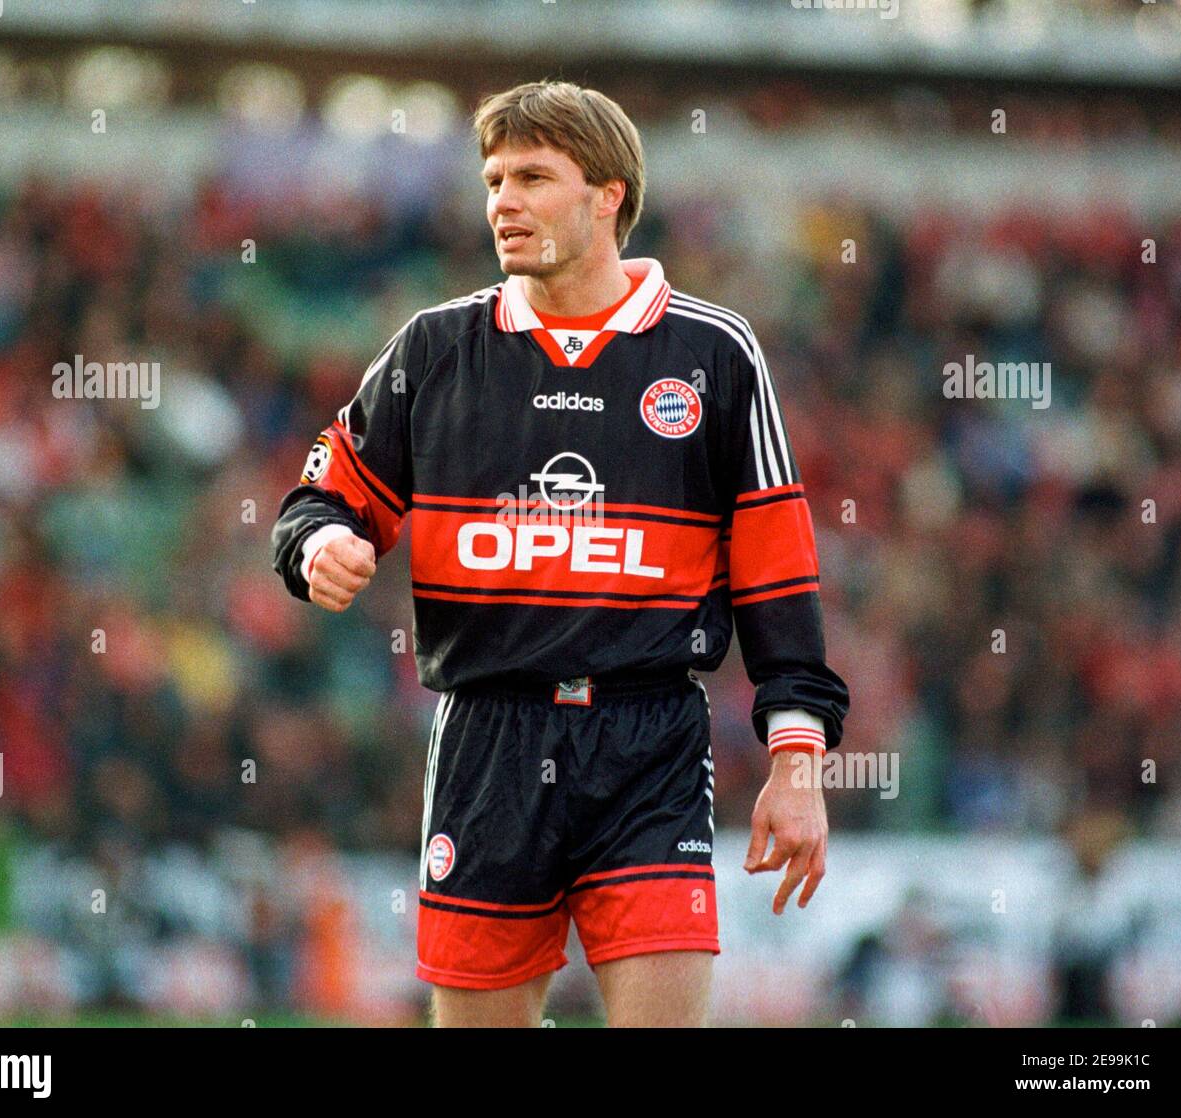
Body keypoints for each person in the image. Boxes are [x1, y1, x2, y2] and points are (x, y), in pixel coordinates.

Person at [272, 80, 849, 1027]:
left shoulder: (714, 352)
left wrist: (797, 764)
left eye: (533, 178)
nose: (503, 201)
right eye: (494, 180)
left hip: (649, 742)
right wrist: (322, 543)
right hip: (487, 740)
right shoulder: (434, 349)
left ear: (609, 194)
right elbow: (318, 498)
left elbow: (778, 578)